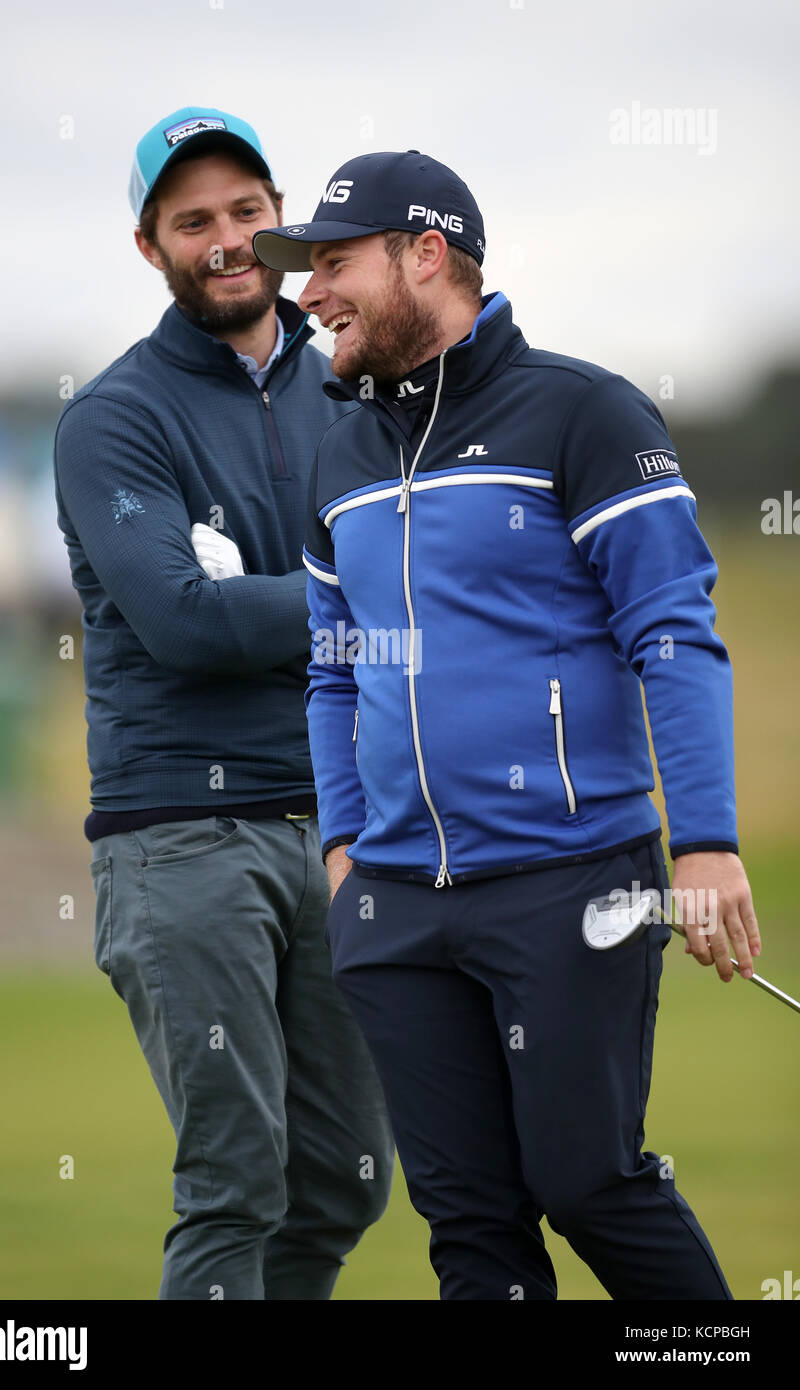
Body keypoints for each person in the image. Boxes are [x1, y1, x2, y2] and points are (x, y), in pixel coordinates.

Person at [252, 150, 761, 1301]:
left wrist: (709, 840)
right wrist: (343, 848)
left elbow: (673, 636)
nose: (309, 293)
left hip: (572, 878)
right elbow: (335, 673)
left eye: (332, 264)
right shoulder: (343, 451)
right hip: (391, 900)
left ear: (424, 256)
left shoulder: (583, 412)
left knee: (589, 1184)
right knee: (471, 1225)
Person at [53, 109, 394, 1301]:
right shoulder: (113, 418)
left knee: (346, 1181)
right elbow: (186, 625)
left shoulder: (356, 387)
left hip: (344, 829)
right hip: (182, 837)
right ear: (151, 247)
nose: (230, 237)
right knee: (238, 1184)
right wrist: (383, 607)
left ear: (281, 217)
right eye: (193, 219)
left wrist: (289, 598)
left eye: (248, 210)